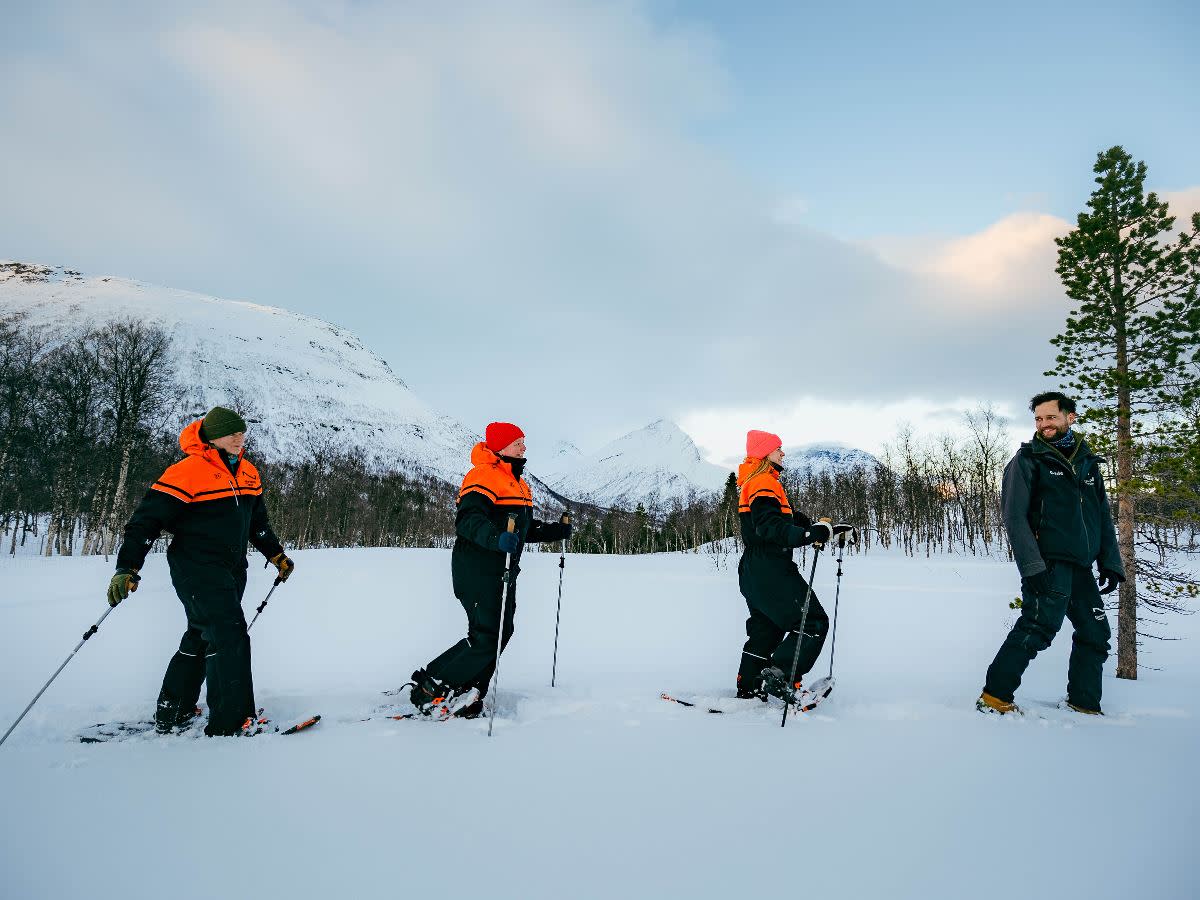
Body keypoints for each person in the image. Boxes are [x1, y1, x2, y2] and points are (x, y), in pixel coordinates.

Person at [107, 406, 294, 736]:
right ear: (212, 436)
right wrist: (127, 567)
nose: (239, 437)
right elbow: (145, 522)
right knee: (228, 633)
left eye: (241, 432)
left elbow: (257, 523)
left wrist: (276, 555)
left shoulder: (248, 472)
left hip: (232, 569)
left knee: (201, 633)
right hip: (195, 567)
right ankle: (232, 719)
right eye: (231, 433)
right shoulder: (188, 470)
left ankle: (174, 708)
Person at [409, 422, 571, 718]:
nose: (524, 447)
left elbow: (521, 529)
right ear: (502, 446)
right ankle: (431, 686)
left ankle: (468, 690)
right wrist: (496, 539)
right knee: (487, 635)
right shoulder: (482, 475)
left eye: (523, 441)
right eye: (519, 442)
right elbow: (469, 520)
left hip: (505, 572)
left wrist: (553, 532)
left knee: (500, 632)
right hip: (477, 570)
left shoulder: (518, 483)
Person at [978, 391, 1124, 715]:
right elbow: (1014, 517)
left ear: (1070, 417)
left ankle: (1084, 705)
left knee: (1095, 631)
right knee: (1037, 628)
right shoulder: (1027, 460)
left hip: (1081, 567)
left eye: (1050, 417)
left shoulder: (1087, 464)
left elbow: (1101, 515)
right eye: (1039, 419)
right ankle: (994, 698)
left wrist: (1111, 563)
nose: (1044, 424)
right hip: (1048, 565)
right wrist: (1032, 567)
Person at [735, 429, 853, 702]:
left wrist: (828, 530)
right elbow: (770, 527)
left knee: (767, 629)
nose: (782, 452)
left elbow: (792, 523)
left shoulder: (754, 482)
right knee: (812, 622)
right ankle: (781, 676)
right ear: (765, 453)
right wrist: (808, 535)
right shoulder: (764, 481)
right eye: (778, 448)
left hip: (754, 570)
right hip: (771, 568)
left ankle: (749, 687)